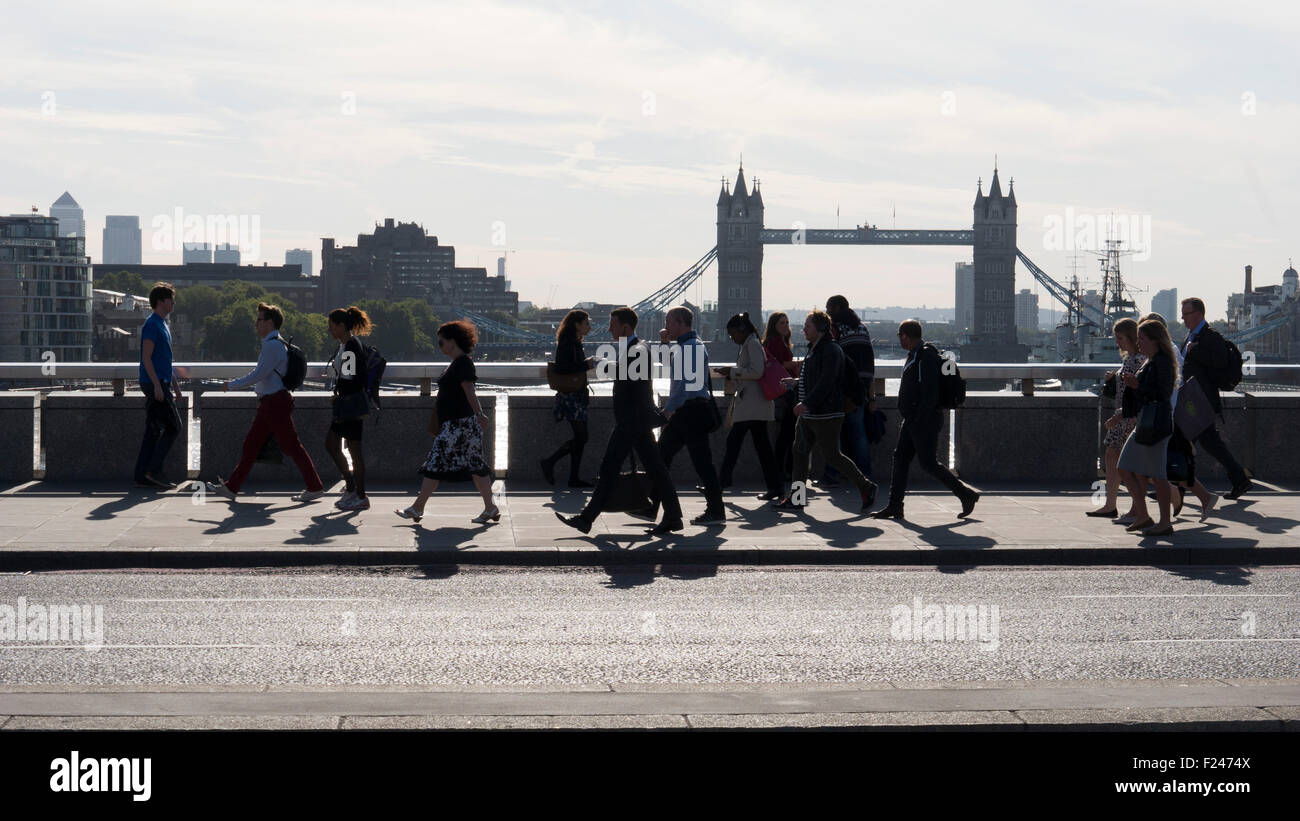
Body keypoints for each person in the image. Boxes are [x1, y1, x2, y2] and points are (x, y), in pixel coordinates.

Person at [555, 307, 684, 535]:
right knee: (656, 470)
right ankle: (673, 516)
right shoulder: (638, 347)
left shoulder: (637, 349)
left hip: (631, 421)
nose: (608, 329)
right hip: (637, 421)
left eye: (612, 325)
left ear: (625, 326)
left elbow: (625, 376)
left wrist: (598, 364)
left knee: (610, 468)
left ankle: (586, 519)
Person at [206, 302, 324, 502]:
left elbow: (258, 375)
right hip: (271, 402)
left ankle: (315, 486)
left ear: (270, 323)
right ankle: (232, 487)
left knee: (291, 446)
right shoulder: (277, 344)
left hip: (275, 403)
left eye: (259, 320)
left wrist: (231, 385)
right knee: (252, 445)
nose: (256, 324)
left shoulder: (272, 346)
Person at [871, 320, 978, 520]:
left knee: (928, 463)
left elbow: (930, 392)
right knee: (901, 458)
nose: (899, 339)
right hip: (914, 419)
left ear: (905, 336)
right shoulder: (916, 355)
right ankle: (895, 506)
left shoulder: (925, 357)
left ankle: (966, 495)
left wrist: (918, 418)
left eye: (899, 336)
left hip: (924, 420)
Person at [774, 310, 879, 512]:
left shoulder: (831, 350)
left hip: (826, 413)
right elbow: (815, 378)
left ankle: (867, 487)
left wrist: (807, 403)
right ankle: (797, 498)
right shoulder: (815, 348)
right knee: (800, 452)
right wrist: (795, 383)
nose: (803, 329)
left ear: (821, 328)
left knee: (832, 455)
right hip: (811, 412)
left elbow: (827, 382)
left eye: (808, 326)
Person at [395, 320, 497, 524]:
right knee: (475, 465)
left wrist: (479, 413)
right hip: (459, 424)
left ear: (452, 341)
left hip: (459, 425)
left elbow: (469, 390)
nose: (439, 346)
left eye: (441, 342)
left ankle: (417, 508)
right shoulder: (457, 362)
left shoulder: (463, 363)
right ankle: (490, 508)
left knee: (435, 463)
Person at [634, 306, 725, 525]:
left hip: (691, 411)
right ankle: (650, 506)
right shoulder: (685, 346)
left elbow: (684, 387)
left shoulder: (691, 348)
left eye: (669, 321)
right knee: (661, 457)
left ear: (682, 323)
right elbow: (670, 369)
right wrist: (666, 344)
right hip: (686, 411)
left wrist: (668, 411)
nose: (665, 326)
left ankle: (716, 511)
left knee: (702, 463)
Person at [1178, 297, 1252, 500]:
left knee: (1182, 442)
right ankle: (1240, 480)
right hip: (1192, 398)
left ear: (1199, 314)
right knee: (1210, 443)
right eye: (1182, 314)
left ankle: (1175, 488)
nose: (1182, 318)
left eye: (1186, 314)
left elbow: (1219, 362)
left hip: (1201, 400)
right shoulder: (1191, 335)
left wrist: (1197, 351)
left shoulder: (1210, 336)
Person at [1116, 318, 1180, 536]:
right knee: (1124, 466)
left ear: (1155, 340)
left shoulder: (1162, 362)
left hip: (1156, 425)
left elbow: (1162, 394)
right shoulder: (1150, 361)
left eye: (1142, 338)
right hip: (1145, 423)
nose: (1139, 342)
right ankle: (1143, 516)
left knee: (1158, 475)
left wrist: (1137, 385)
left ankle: (1164, 522)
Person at [715, 313, 783, 501]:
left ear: (741, 330)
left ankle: (721, 483)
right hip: (755, 405)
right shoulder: (750, 342)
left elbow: (757, 371)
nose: (731, 338)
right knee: (762, 448)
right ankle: (775, 487)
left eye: (732, 334)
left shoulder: (752, 344)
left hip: (752, 405)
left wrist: (732, 371)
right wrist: (732, 372)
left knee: (734, 443)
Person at [1088, 318, 1146, 518]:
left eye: (1120, 338)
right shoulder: (1130, 359)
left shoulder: (1139, 360)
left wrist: (1120, 416)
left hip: (1128, 417)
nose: (1117, 342)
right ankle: (1111, 504)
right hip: (1122, 414)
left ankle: (1140, 505)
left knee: (1128, 463)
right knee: (1113, 457)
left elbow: (1137, 393)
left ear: (1131, 337)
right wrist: (1114, 380)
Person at [819, 295, 875, 486]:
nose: (826, 312)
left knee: (833, 434)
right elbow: (870, 360)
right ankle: (865, 475)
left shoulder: (835, 329)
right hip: (862, 388)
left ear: (835, 308)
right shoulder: (862, 327)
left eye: (828, 308)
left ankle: (832, 473)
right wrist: (870, 393)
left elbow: (832, 358)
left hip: (842, 388)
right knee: (859, 433)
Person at [134, 282, 184, 490]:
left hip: (162, 382)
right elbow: (147, 358)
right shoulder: (152, 325)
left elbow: (165, 360)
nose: (174, 302)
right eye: (171, 298)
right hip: (154, 383)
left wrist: (176, 385)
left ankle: (141, 476)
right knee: (174, 427)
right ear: (161, 301)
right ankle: (154, 470)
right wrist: (156, 386)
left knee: (153, 431)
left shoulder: (164, 324)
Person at [540, 309, 597, 488]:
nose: (589, 326)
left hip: (575, 395)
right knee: (582, 437)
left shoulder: (574, 342)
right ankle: (550, 461)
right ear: (577, 325)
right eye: (586, 323)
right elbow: (563, 368)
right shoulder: (569, 343)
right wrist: (586, 364)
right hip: (572, 397)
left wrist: (583, 364)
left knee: (580, 437)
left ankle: (574, 477)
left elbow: (569, 366)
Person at [325, 306, 373, 511]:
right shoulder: (347, 345)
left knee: (349, 449)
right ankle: (353, 489)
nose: (329, 330)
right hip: (347, 405)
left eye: (331, 326)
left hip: (349, 407)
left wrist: (338, 395)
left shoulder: (351, 346)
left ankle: (359, 493)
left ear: (341, 326)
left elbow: (351, 378)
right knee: (342, 447)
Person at [763, 311, 800, 483]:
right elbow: (777, 364)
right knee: (788, 434)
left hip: (783, 392)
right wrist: (796, 364)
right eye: (781, 323)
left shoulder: (779, 341)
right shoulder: (775, 342)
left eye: (786, 322)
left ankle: (783, 471)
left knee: (787, 434)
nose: (786, 326)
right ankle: (785, 471)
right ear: (774, 326)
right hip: (784, 393)